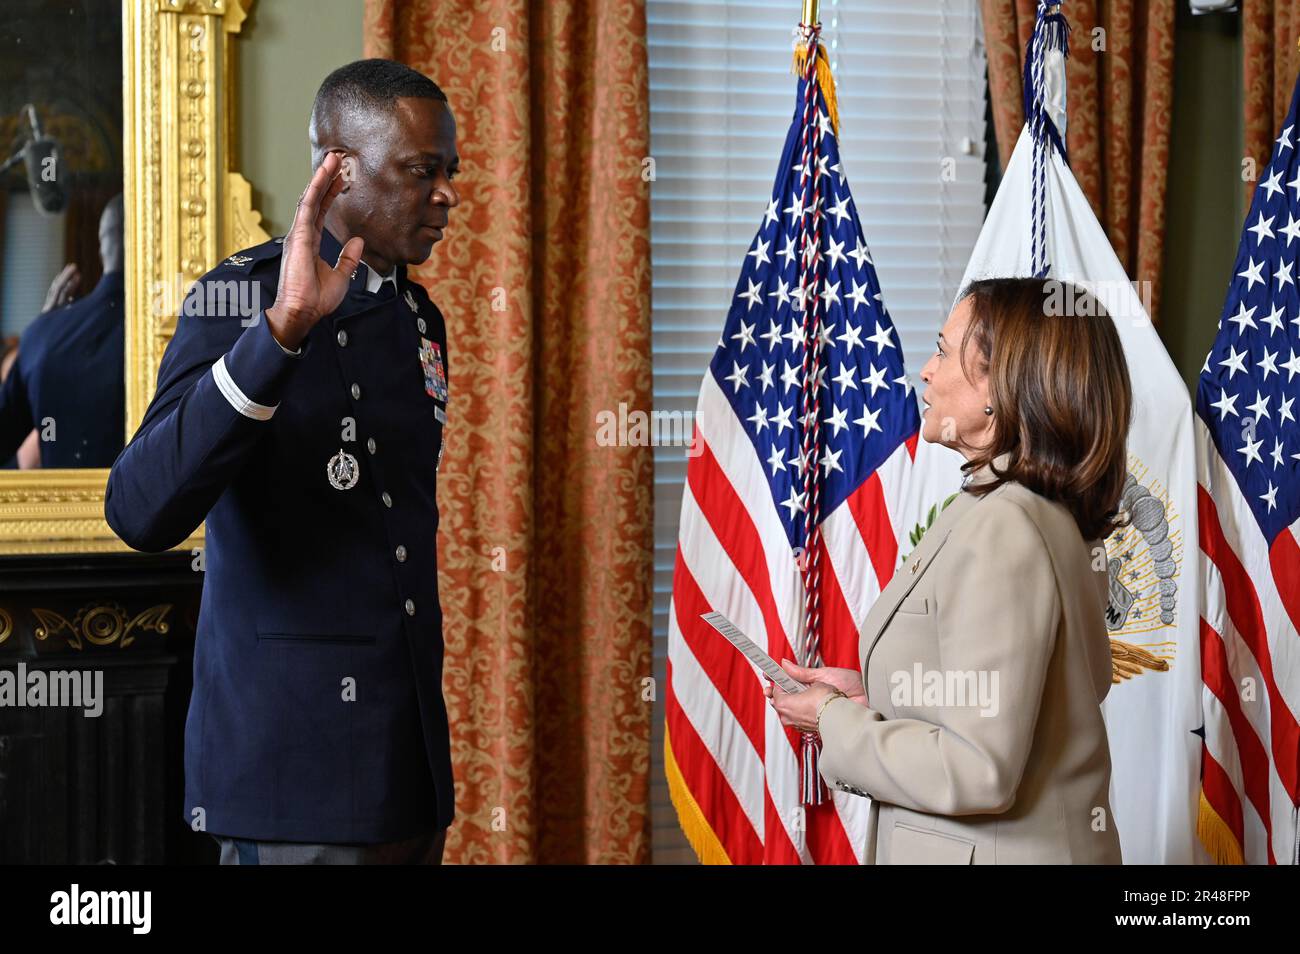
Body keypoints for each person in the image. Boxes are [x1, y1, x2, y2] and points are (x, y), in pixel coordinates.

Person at [105, 59, 460, 864]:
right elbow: (138, 510)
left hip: (406, 774)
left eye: (450, 171)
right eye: (421, 171)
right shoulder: (244, 298)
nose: (447, 194)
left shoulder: (418, 317)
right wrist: (280, 334)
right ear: (339, 170)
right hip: (290, 777)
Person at [769, 277, 1131, 864]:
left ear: (998, 388)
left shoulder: (1004, 526)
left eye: (943, 351)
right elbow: (1015, 701)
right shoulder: (1025, 509)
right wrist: (877, 694)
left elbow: (978, 767)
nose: (926, 372)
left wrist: (833, 721)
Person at [0, 194, 125, 468]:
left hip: (62, 497)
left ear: (101, 245)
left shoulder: (40, 337)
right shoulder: (179, 327)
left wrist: (44, 332)